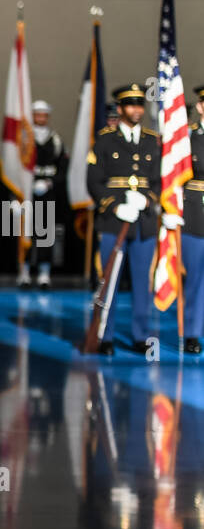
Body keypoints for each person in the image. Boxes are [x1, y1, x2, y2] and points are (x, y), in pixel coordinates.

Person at [86, 82, 161, 355]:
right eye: (130, 104)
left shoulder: (153, 141)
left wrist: (147, 199)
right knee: (109, 281)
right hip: (113, 221)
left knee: (143, 282)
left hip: (144, 223)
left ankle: (141, 336)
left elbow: (160, 180)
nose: (136, 110)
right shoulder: (105, 140)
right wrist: (115, 206)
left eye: (140, 104)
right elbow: (94, 181)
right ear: (120, 108)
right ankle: (104, 334)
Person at [19, 99, 66, 289]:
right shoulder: (24, 139)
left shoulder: (55, 139)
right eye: (38, 115)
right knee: (26, 230)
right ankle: (24, 271)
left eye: (44, 115)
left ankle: (44, 273)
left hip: (47, 192)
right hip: (28, 192)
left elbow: (62, 168)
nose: (41, 118)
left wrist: (49, 183)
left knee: (46, 232)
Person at [181, 84, 204, 354]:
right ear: (199, 107)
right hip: (195, 212)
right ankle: (193, 333)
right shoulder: (187, 138)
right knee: (196, 278)